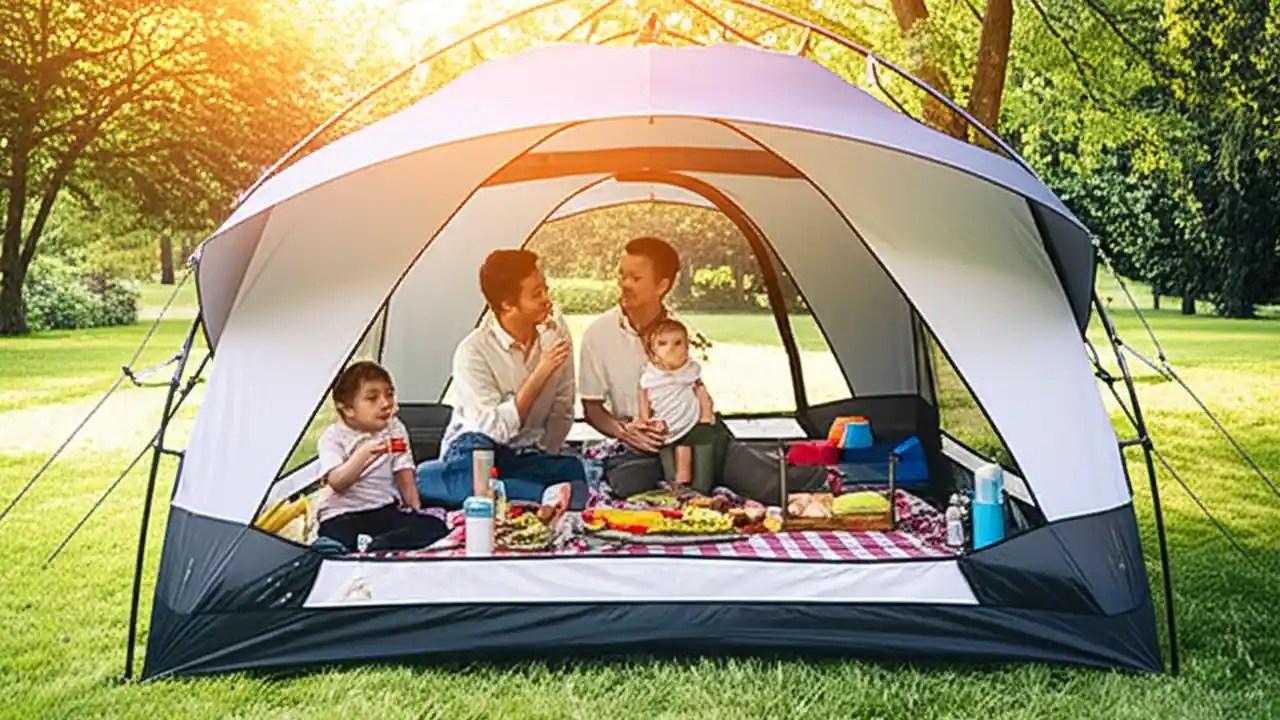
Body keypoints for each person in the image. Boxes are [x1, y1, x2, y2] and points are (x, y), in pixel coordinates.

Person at [418, 249, 585, 507]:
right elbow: (495, 429)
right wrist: (541, 372)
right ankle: (433, 480)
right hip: (476, 445)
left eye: (546, 289)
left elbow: (563, 404)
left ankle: (508, 491)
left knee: (572, 471)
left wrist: (544, 454)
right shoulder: (473, 352)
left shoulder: (555, 330)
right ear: (507, 304)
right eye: (536, 293)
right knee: (477, 468)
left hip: (522, 451)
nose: (547, 299)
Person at [579, 237, 730, 497]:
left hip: (689, 433)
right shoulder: (598, 334)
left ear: (662, 285)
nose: (624, 284)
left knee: (749, 472)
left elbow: (693, 388)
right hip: (638, 442)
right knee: (627, 483)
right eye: (621, 275)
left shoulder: (677, 331)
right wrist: (626, 432)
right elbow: (591, 408)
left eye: (635, 278)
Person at [316, 361, 448, 552]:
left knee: (433, 526)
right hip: (343, 514)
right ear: (347, 409)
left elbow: (404, 475)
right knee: (335, 536)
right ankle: (358, 546)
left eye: (389, 395)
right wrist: (364, 453)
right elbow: (337, 482)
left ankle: (375, 545)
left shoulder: (394, 428)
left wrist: (415, 510)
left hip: (383, 510)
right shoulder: (333, 436)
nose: (385, 404)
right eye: (372, 398)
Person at [637, 318, 720, 492]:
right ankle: (677, 488)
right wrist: (646, 421)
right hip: (666, 426)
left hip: (694, 422)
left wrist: (706, 415)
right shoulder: (650, 377)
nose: (671, 349)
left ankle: (700, 490)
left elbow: (701, 392)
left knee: (700, 466)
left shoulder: (690, 372)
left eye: (678, 343)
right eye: (662, 344)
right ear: (652, 351)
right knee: (671, 466)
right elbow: (644, 400)